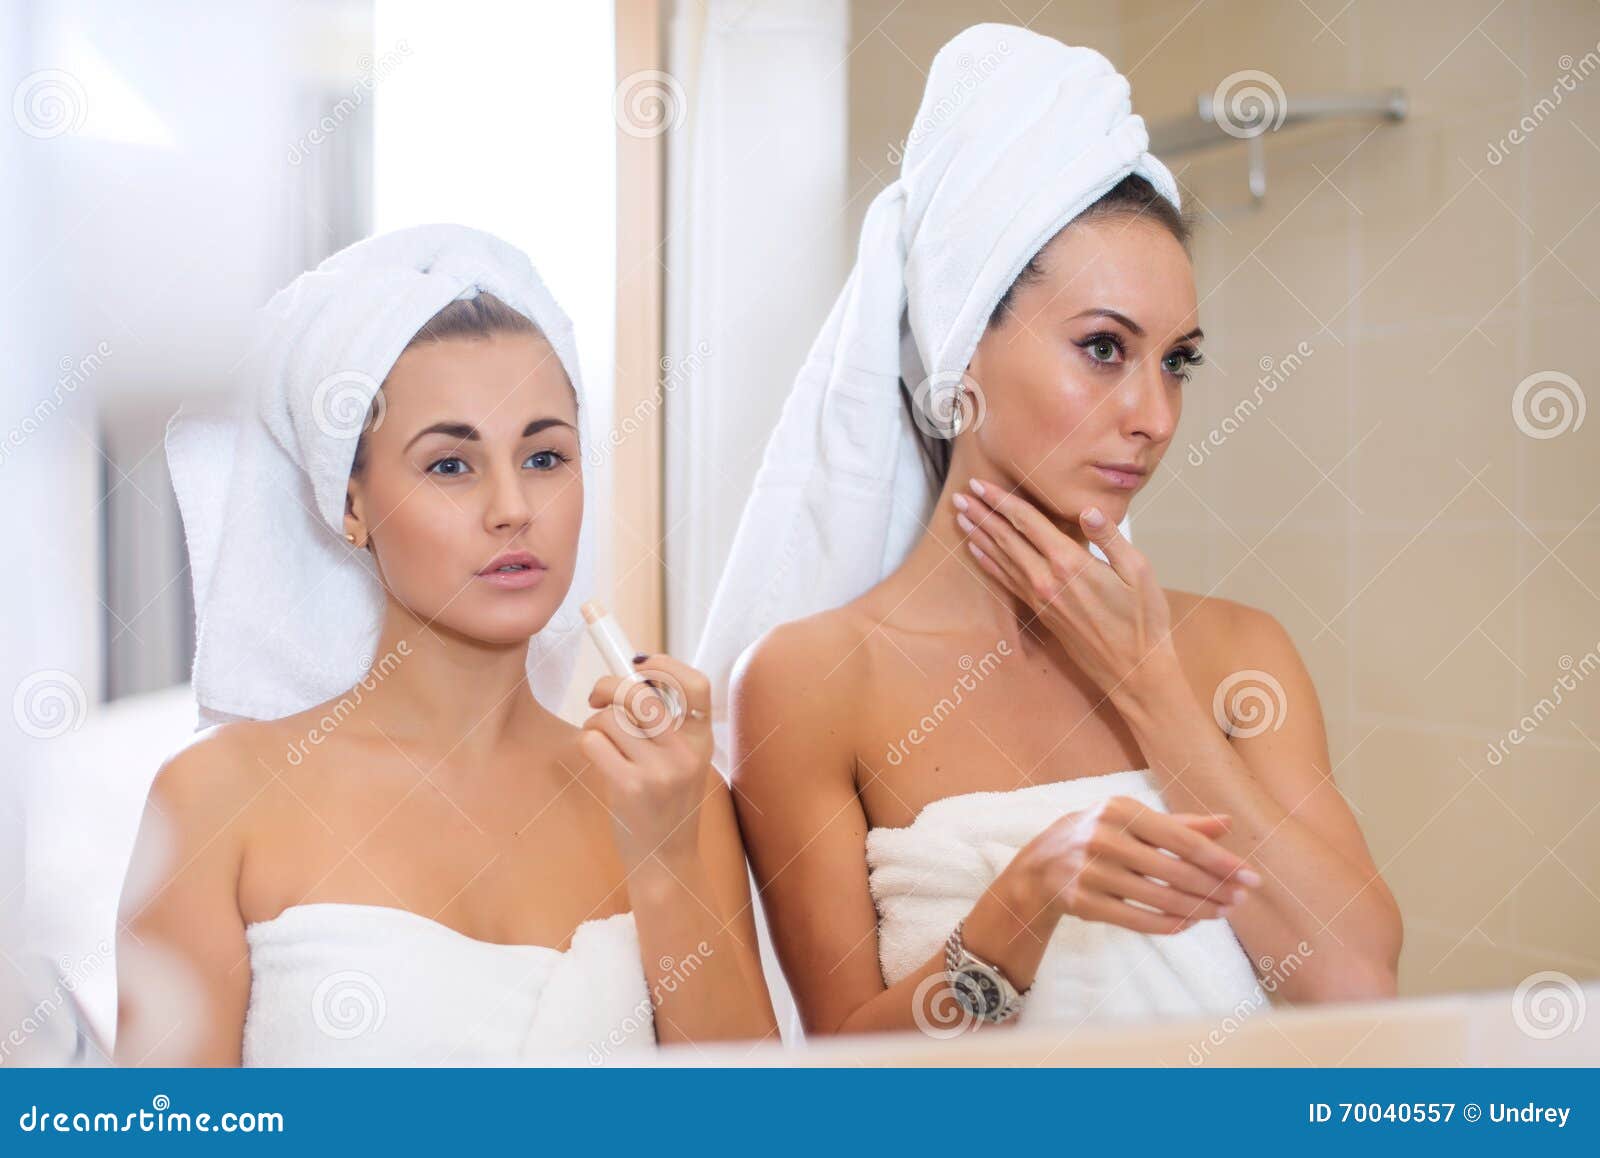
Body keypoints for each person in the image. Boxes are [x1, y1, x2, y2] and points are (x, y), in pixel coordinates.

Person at [703, 26, 1402, 1037]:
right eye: (1103, 348)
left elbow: (1352, 987)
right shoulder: (813, 682)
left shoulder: (1236, 657)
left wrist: (1152, 689)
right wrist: (1021, 904)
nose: (1153, 415)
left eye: (1178, 361)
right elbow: (851, 1073)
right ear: (961, 345)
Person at [115, 226, 776, 1065]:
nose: (512, 508)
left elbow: (761, 1129)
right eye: (450, 466)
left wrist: (668, 857)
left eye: (544, 456)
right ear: (349, 505)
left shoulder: (673, 798)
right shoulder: (216, 804)